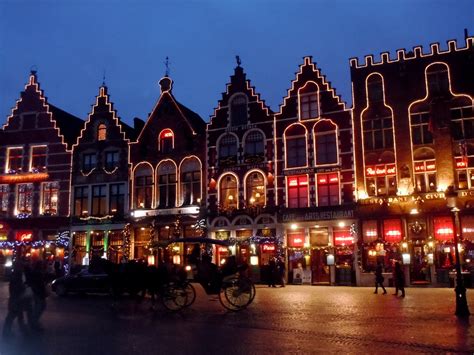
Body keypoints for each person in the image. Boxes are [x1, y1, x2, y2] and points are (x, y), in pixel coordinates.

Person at [3, 260, 34, 337]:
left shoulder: (16, 274)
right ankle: (8, 332)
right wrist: (24, 288)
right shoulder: (17, 275)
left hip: (16, 299)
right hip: (16, 299)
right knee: (13, 316)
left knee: (16, 316)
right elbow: (17, 287)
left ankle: (21, 332)